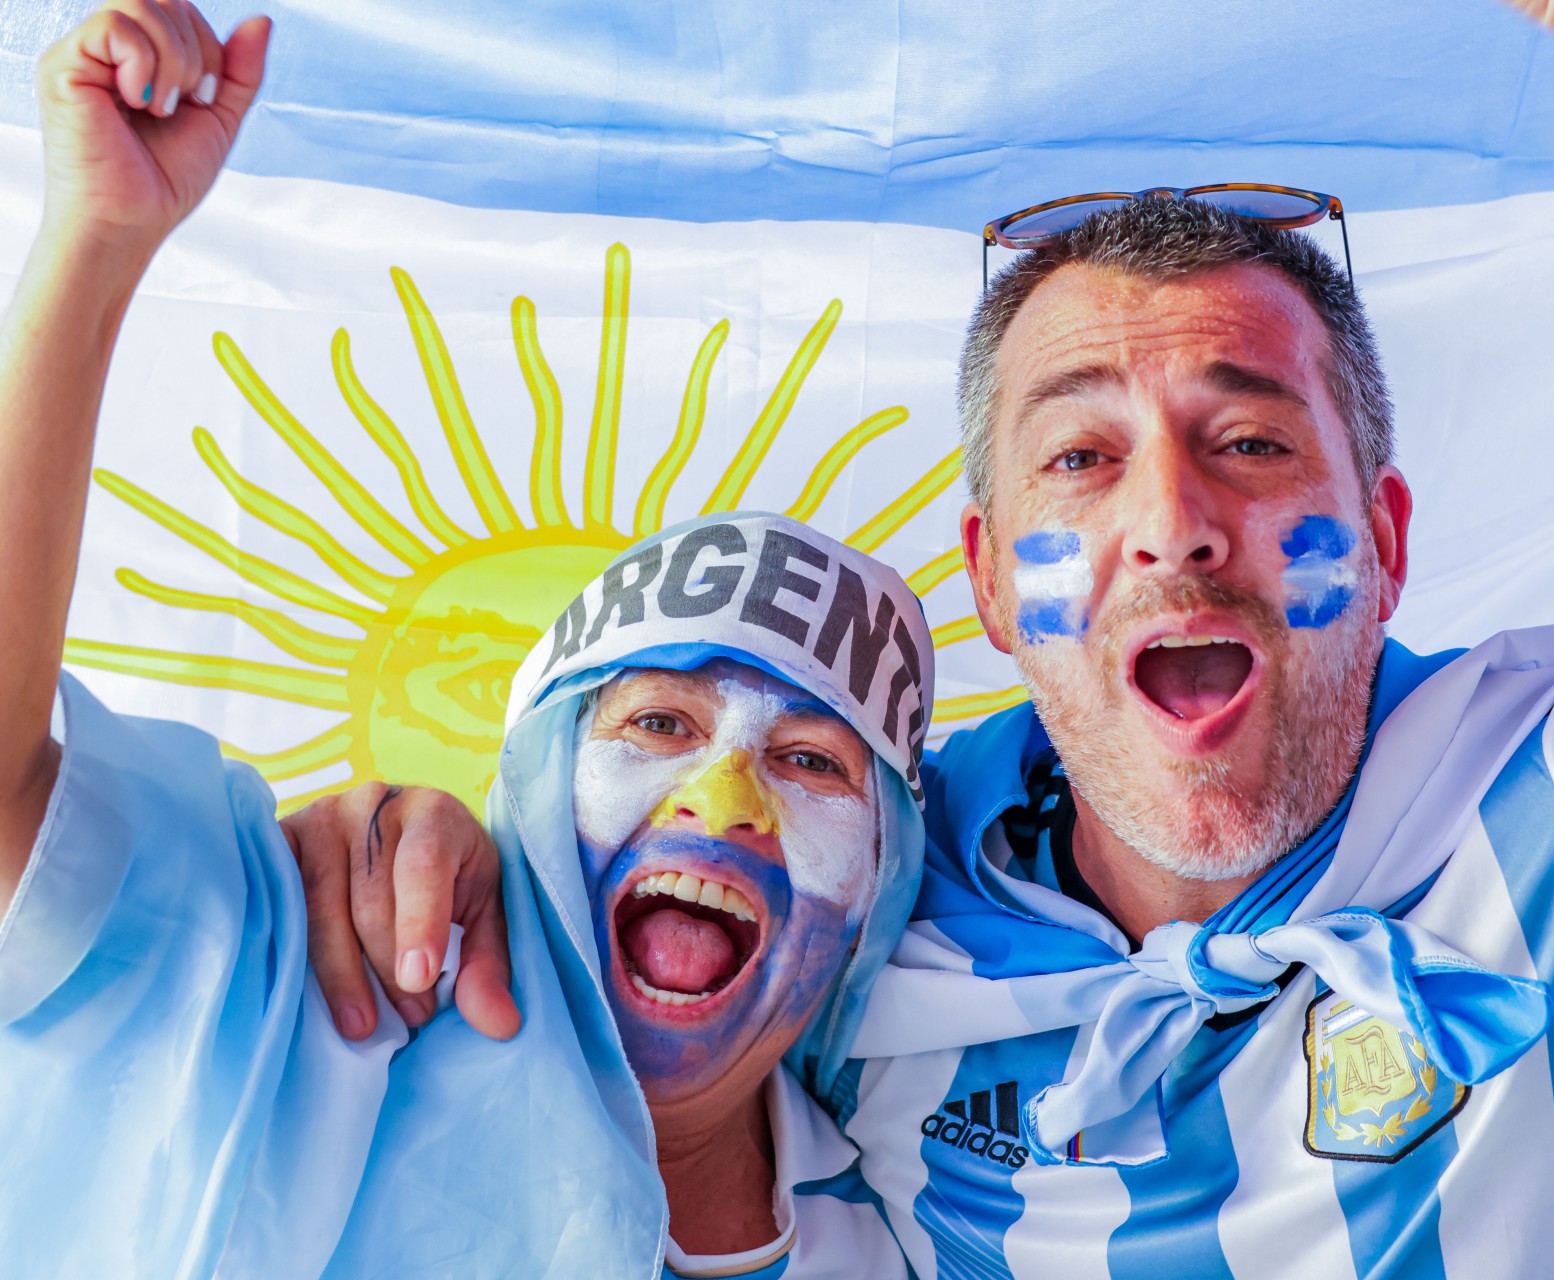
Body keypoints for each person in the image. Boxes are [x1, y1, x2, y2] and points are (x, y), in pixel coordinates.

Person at [302, 0, 1554, 1274]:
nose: (1171, 522)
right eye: (1082, 457)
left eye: (1253, 441)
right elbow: (615, 1049)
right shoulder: (868, 899)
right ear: (994, 586)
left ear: (1384, 541)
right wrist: (406, 868)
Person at [0, 8, 930, 1275]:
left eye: (814, 760)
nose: (724, 802)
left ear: (879, 887)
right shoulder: (320, 974)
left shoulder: (913, 1212)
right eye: (658, 722)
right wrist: (94, 249)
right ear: (538, 785)